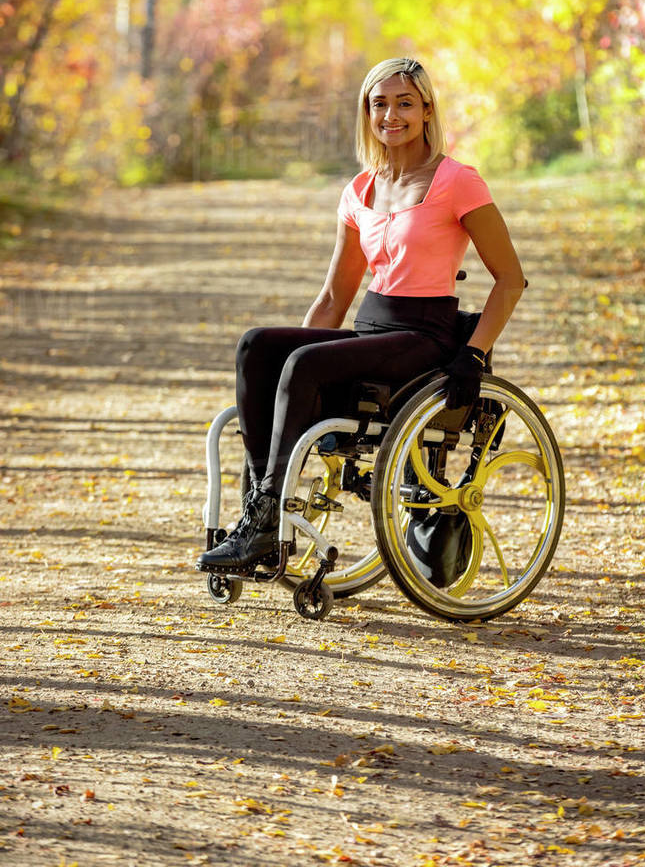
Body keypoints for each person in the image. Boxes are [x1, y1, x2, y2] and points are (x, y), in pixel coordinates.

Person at [197, 56, 525, 575]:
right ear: (366, 113)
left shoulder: (457, 181)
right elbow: (333, 298)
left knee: (304, 364)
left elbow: (510, 279)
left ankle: (264, 523)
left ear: (425, 111)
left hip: (425, 336)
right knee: (257, 345)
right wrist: (292, 362)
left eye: (404, 103)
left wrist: (475, 353)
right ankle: (262, 508)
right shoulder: (360, 191)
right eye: (379, 104)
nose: (390, 115)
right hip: (373, 329)